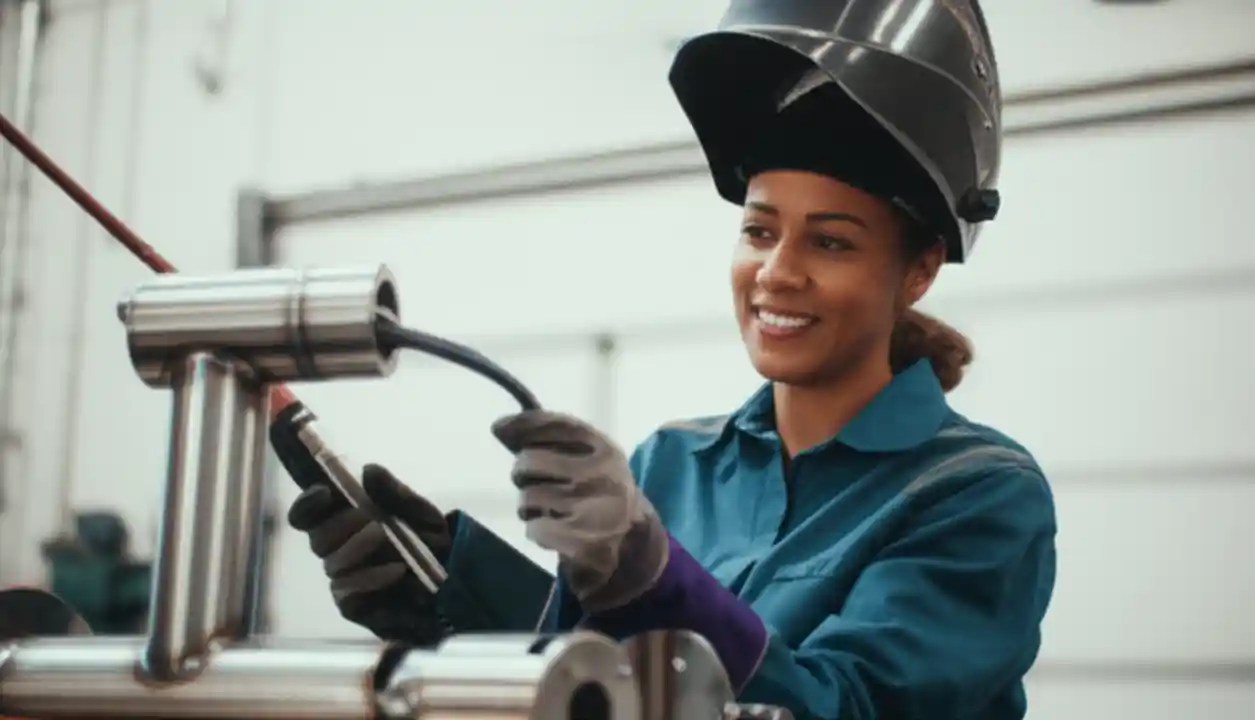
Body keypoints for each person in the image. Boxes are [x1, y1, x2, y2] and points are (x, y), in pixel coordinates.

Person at [271, 1, 1058, 718]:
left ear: (918, 269)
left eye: (830, 241)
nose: (778, 271)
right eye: (759, 231)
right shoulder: (675, 462)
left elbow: (839, 706)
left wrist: (645, 571)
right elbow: (599, 682)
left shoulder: (978, 497)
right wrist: (444, 587)